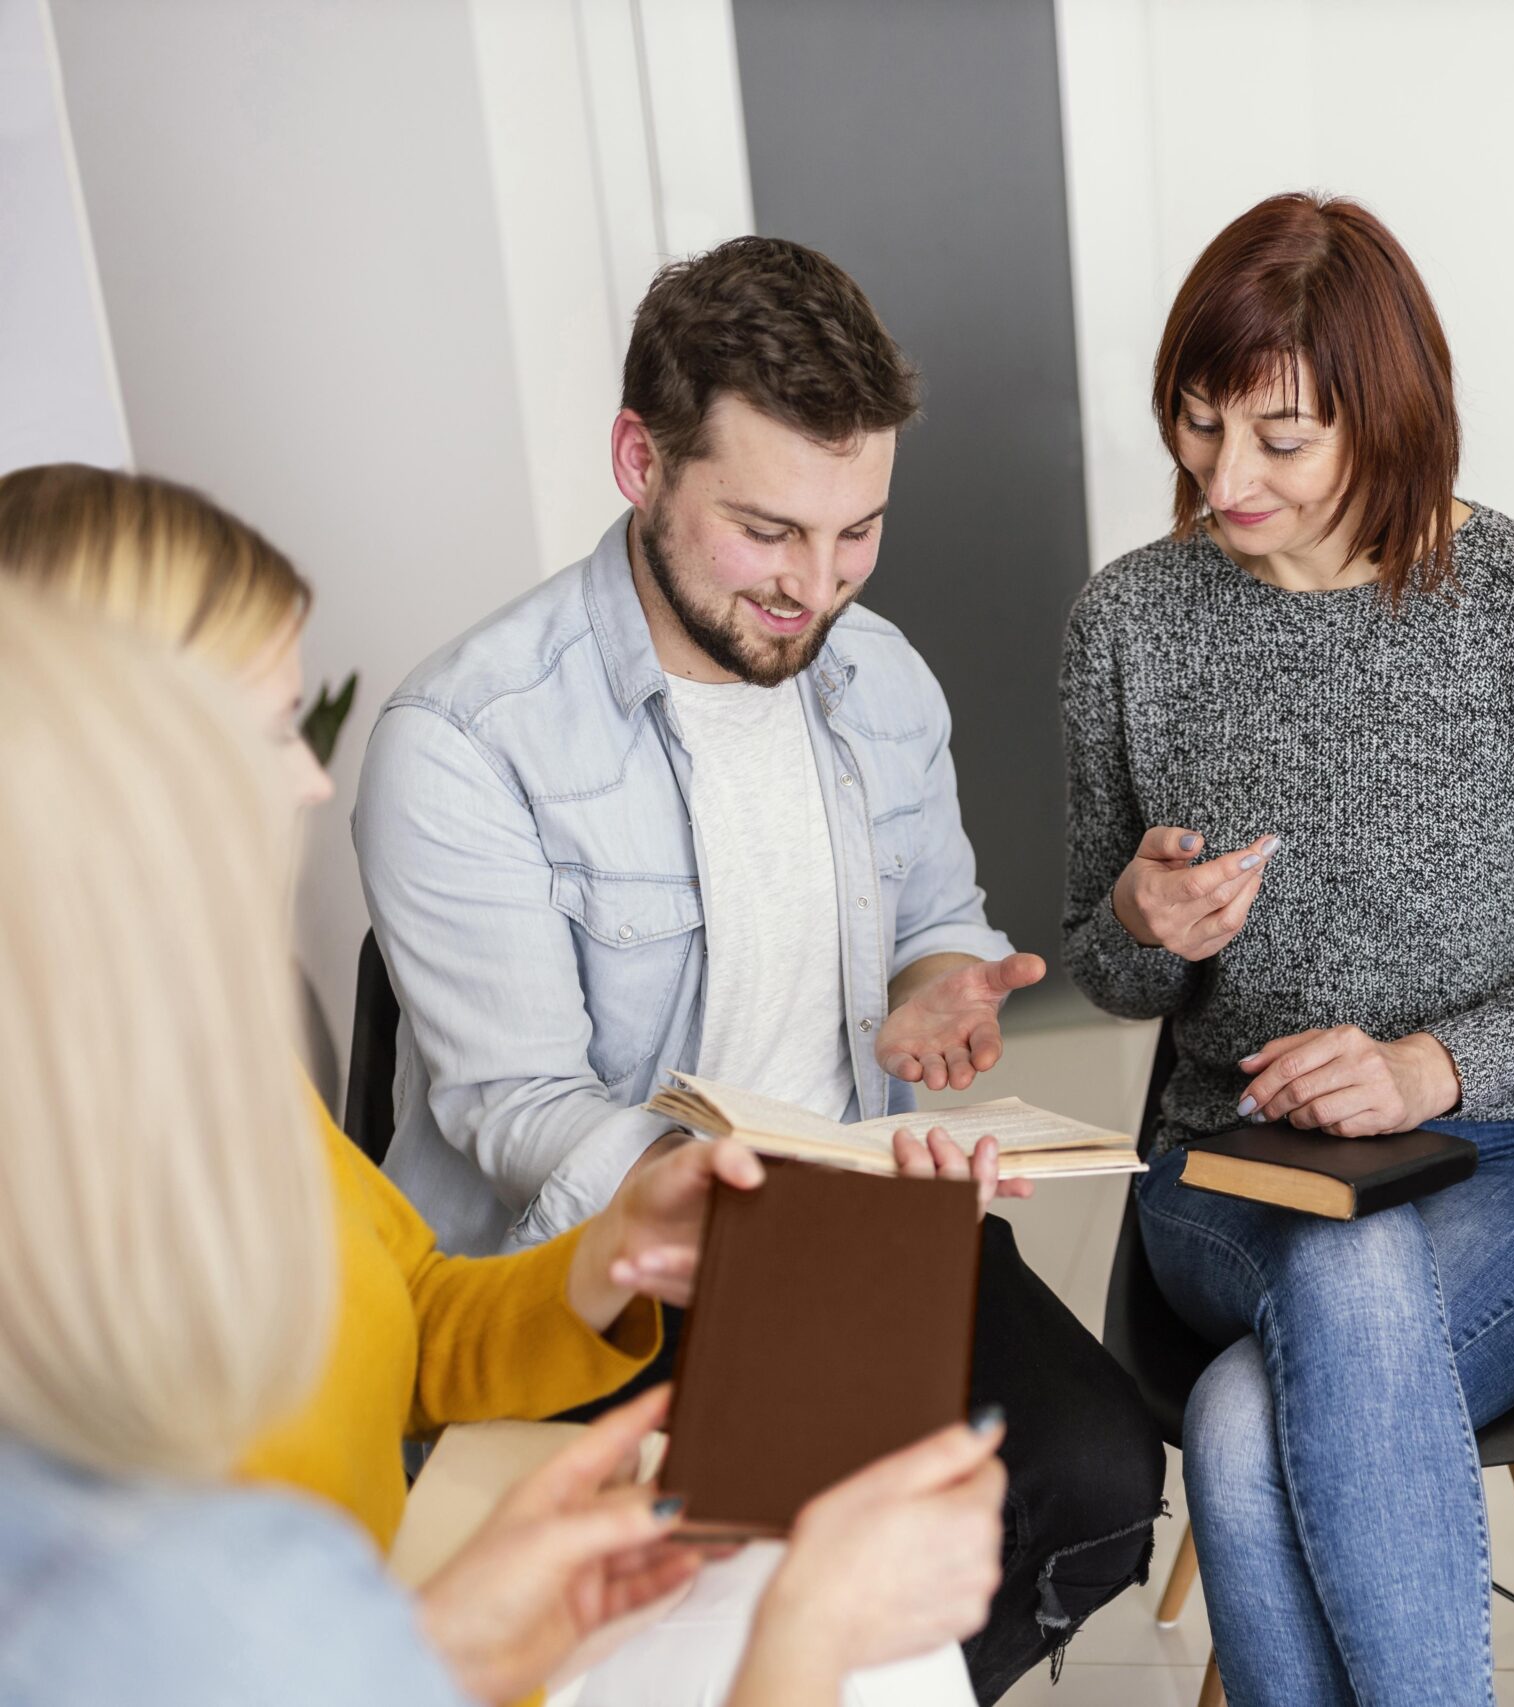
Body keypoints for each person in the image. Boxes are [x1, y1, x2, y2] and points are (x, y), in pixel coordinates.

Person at [352, 235, 1162, 1697]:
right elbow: (518, 1109)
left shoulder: (882, 673)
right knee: (728, 1566)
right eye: (768, 530)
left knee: (1093, 1478)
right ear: (637, 459)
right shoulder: (465, 741)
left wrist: (939, 983)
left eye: (856, 531)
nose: (816, 585)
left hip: (861, 1211)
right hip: (614, 1251)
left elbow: (941, 913)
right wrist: (724, 1201)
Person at [0, 581, 1007, 1705]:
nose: (314, 778)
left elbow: (414, 1316)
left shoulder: (205, 1061)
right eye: (273, 728)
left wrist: (610, 1247)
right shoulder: (176, 1591)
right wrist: (807, 1632)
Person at [1059, 191, 1514, 1706]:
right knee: (1342, 1274)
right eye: (1200, 426)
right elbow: (1109, 965)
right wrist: (1142, 926)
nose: (1225, 477)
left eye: (1281, 439)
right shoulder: (1129, 624)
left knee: (1235, 1419)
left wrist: (1431, 1064)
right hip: (1240, 1170)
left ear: (1392, 418)